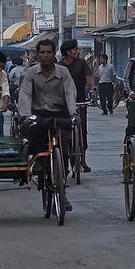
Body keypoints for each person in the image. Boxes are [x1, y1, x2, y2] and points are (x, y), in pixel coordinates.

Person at [17, 39, 76, 210]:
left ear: (54, 53)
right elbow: (25, 95)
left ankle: (62, 191)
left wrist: (73, 113)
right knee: (34, 138)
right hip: (38, 114)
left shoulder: (64, 72)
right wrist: (26, 115)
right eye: (42, 52)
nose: (45, 55)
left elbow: (70, 93)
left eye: (49, 52)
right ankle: (39, 162)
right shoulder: (31, 74)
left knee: (63, 153)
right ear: (38, 54)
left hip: (59, 115)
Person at [59, 40, 94, 172]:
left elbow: (88, 76)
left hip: (80, 100)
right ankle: (66, 158)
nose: (77, 52)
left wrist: (93, 86)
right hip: (64, 103)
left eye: (77, 49)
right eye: (75, 49)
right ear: (68, 52)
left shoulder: (81, 63)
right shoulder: (59, 66)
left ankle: (82, 159)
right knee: (65, 130)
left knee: (82, 130)